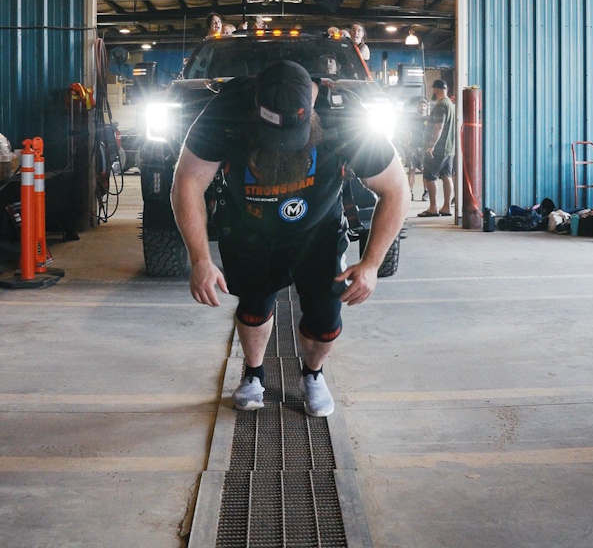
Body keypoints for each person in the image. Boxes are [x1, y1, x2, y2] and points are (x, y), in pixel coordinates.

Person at [171, 60, 409, 417]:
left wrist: (372, 263)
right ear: (254, 107)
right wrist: (201, 260)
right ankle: (253, 374)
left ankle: (313, 375)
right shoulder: (227, 109)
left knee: (326, 319)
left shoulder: (344, 115)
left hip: (318, 231)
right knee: (252, 308)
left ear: (312, 109)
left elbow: (396, 190)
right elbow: (187, 182)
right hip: (249, 227)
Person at [418, 79, 456, 217]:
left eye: (434, 89)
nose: (433, 91)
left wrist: (431, 146)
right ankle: (446, 207)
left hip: (438, 149)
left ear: (437, 89)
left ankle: (433, 208)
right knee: (447, 176)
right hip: (449, 148)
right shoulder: (450, 104)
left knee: (430, 176)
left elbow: (438, 127)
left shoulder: (440, 106)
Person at [399, 98, 430, 200]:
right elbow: (407, 131)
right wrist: (406, 144)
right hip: (413, 146)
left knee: (425, 171)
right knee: (411, 170)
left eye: (424, 105)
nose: (422, 107)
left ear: (427, 107)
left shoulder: (429, 119)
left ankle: (426, 192)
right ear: (418, 107)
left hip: (424, 147)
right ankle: (410, 192)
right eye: (421, 105)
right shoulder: (413, 119)